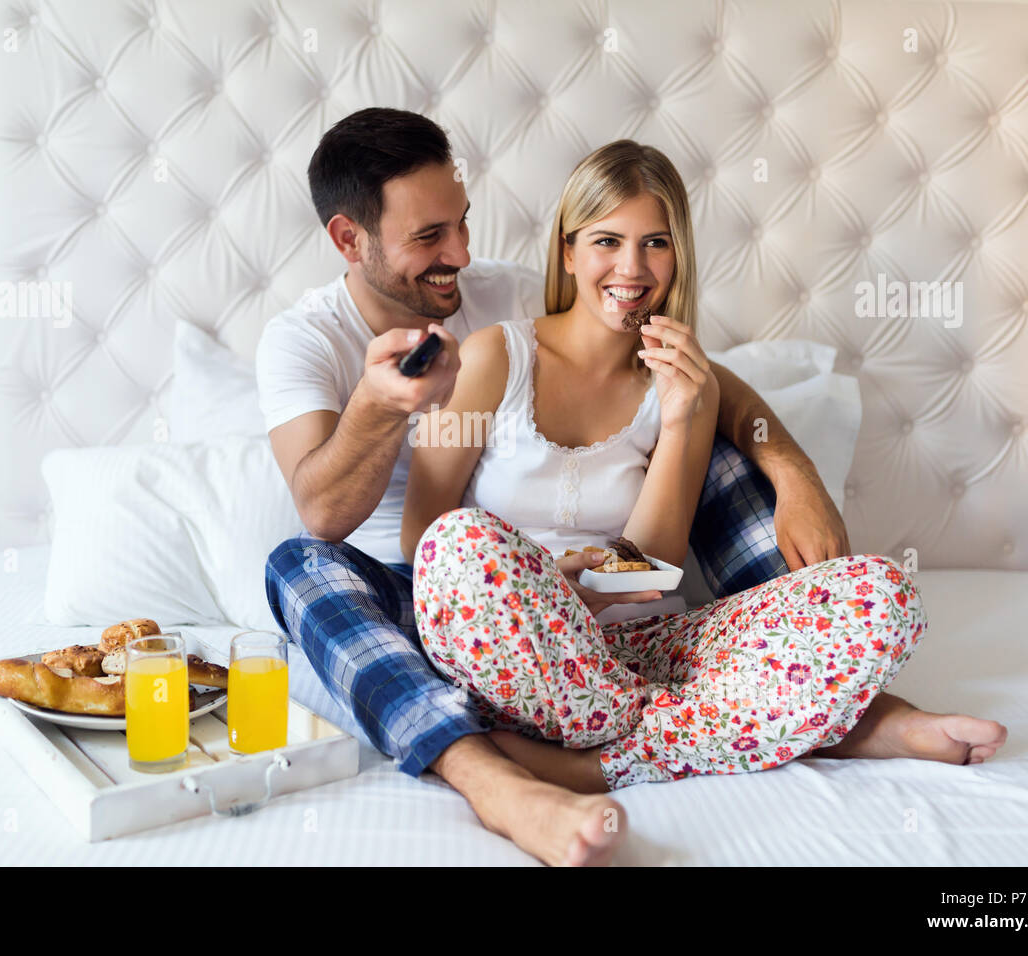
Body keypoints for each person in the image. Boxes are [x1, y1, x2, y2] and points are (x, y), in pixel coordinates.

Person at [259, 108, 852, 866]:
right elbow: (322, 510)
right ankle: (491, 776)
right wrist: (382, 405)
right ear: (350, 239)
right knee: (299, 566)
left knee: (730, 456)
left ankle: (774, 668)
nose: (462, 255)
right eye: (430, 236)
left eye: (463, 224)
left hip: (611, 606)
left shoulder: (515, 294)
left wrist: (794, 471)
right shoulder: (304, 341)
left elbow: (708, 387)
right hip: (441, 597)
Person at [401, 138, 1009, 794]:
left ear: (678, 254)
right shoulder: (497, 356)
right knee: (460, 545)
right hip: (516, 649)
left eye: (655, 243)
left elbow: (655, 569)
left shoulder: (681, 385)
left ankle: (610, 756)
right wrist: (549, 586)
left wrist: (689, 414)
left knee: (881, 593)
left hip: (638, 650)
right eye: (607, 240)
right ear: (569, 252)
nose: (631, 267)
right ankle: (773, 726)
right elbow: (422, 544)